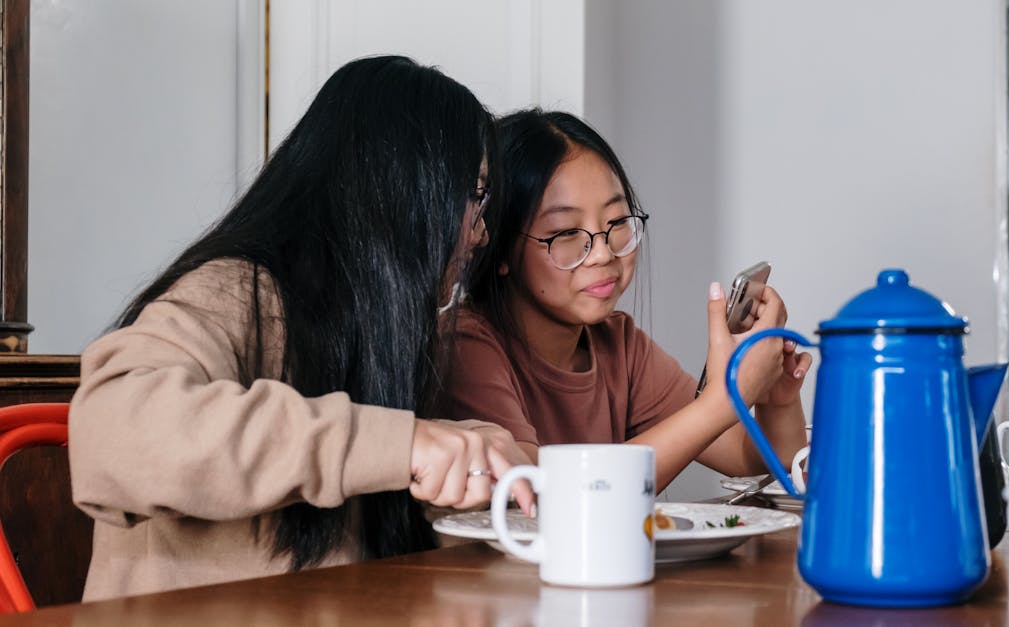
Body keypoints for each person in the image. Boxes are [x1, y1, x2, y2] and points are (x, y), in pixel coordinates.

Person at [68, 55, 533, 601]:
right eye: (475, 197)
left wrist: (454, 473)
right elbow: (115, 434)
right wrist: (398, 443)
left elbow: (338, 542)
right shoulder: (235, 290)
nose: (480, 236)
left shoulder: (372, 326)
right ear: (400, 188)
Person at [438, 109, 811, 492]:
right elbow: (538, 492)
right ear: (498, 245)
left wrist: (776, 398)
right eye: (566, 232)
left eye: (617, 223)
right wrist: (721, 402)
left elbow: (749, 457)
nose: (602, 253)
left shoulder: (620, 344)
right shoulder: (466, 345)